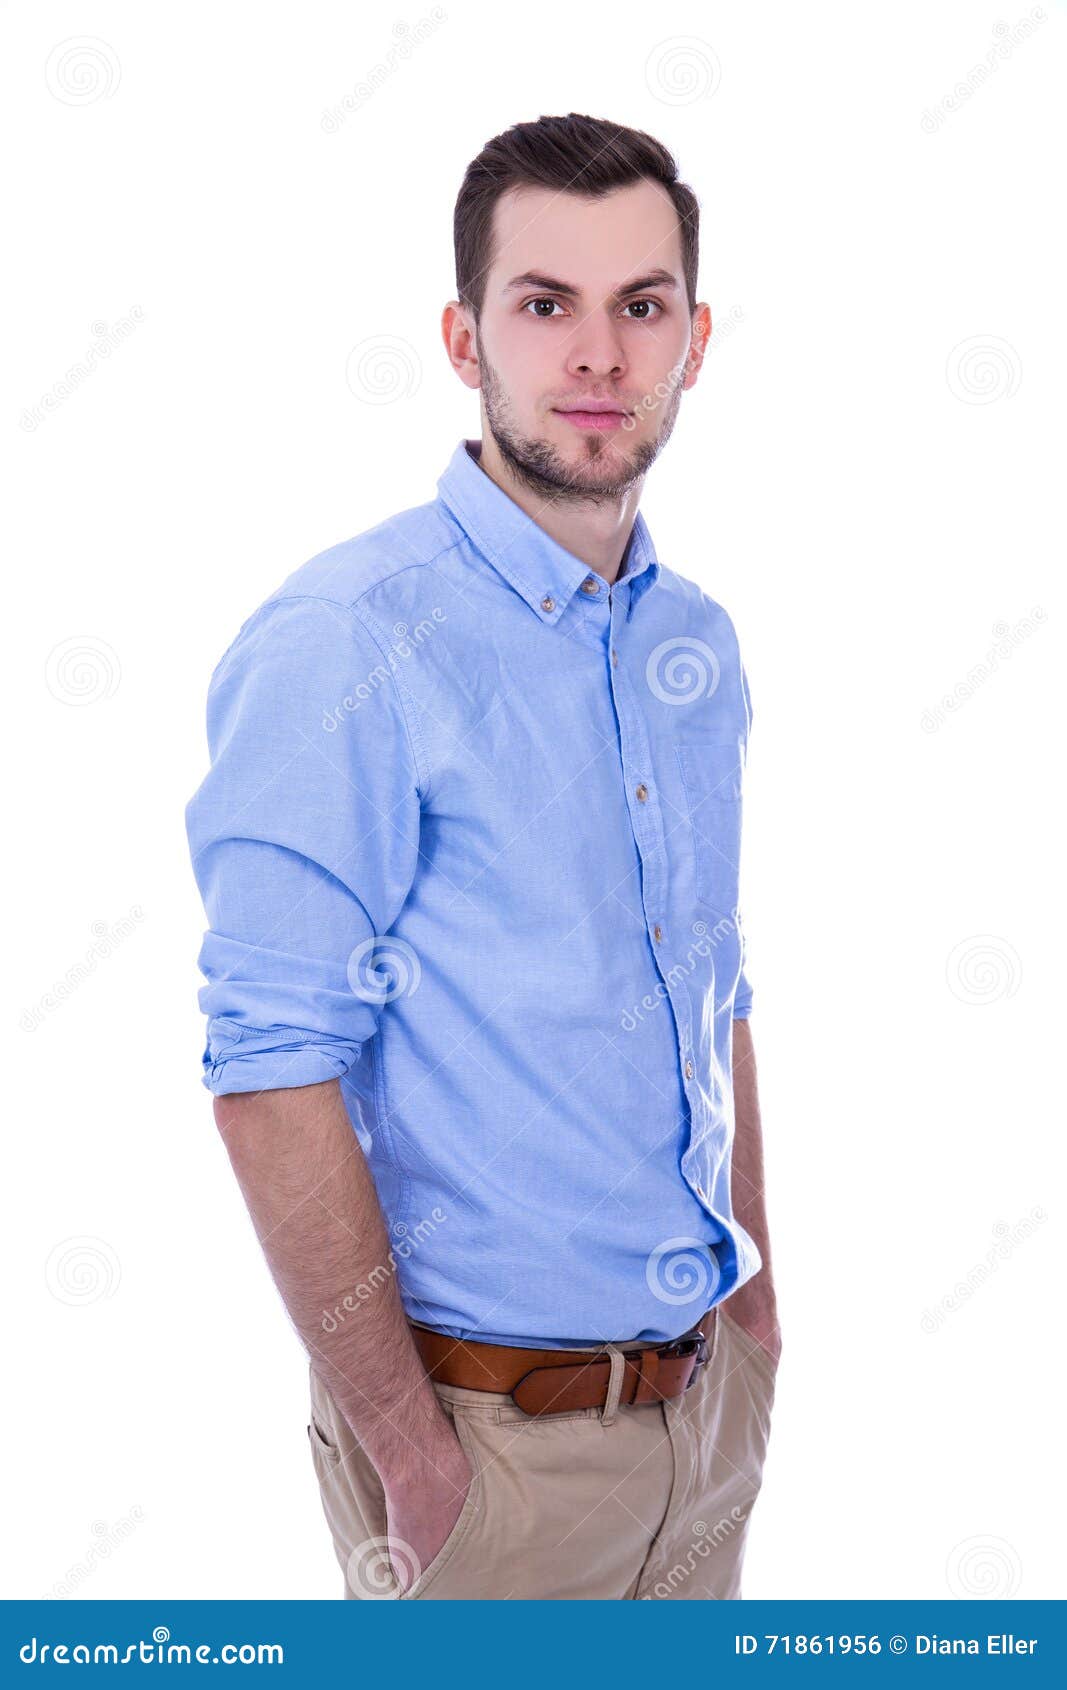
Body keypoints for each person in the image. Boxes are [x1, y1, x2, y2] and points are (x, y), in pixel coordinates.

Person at [185, 111, 780, 1601]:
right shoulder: (347, 641)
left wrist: (758, 1316)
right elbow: (269, 1065)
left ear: (696, 339)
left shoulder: (693, 644)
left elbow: (714, 985)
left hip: (703, 1425)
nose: (599, 355)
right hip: (486, 1458)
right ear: (465, 337)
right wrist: (413, 1454)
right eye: (545, 302)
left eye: (641, 305)